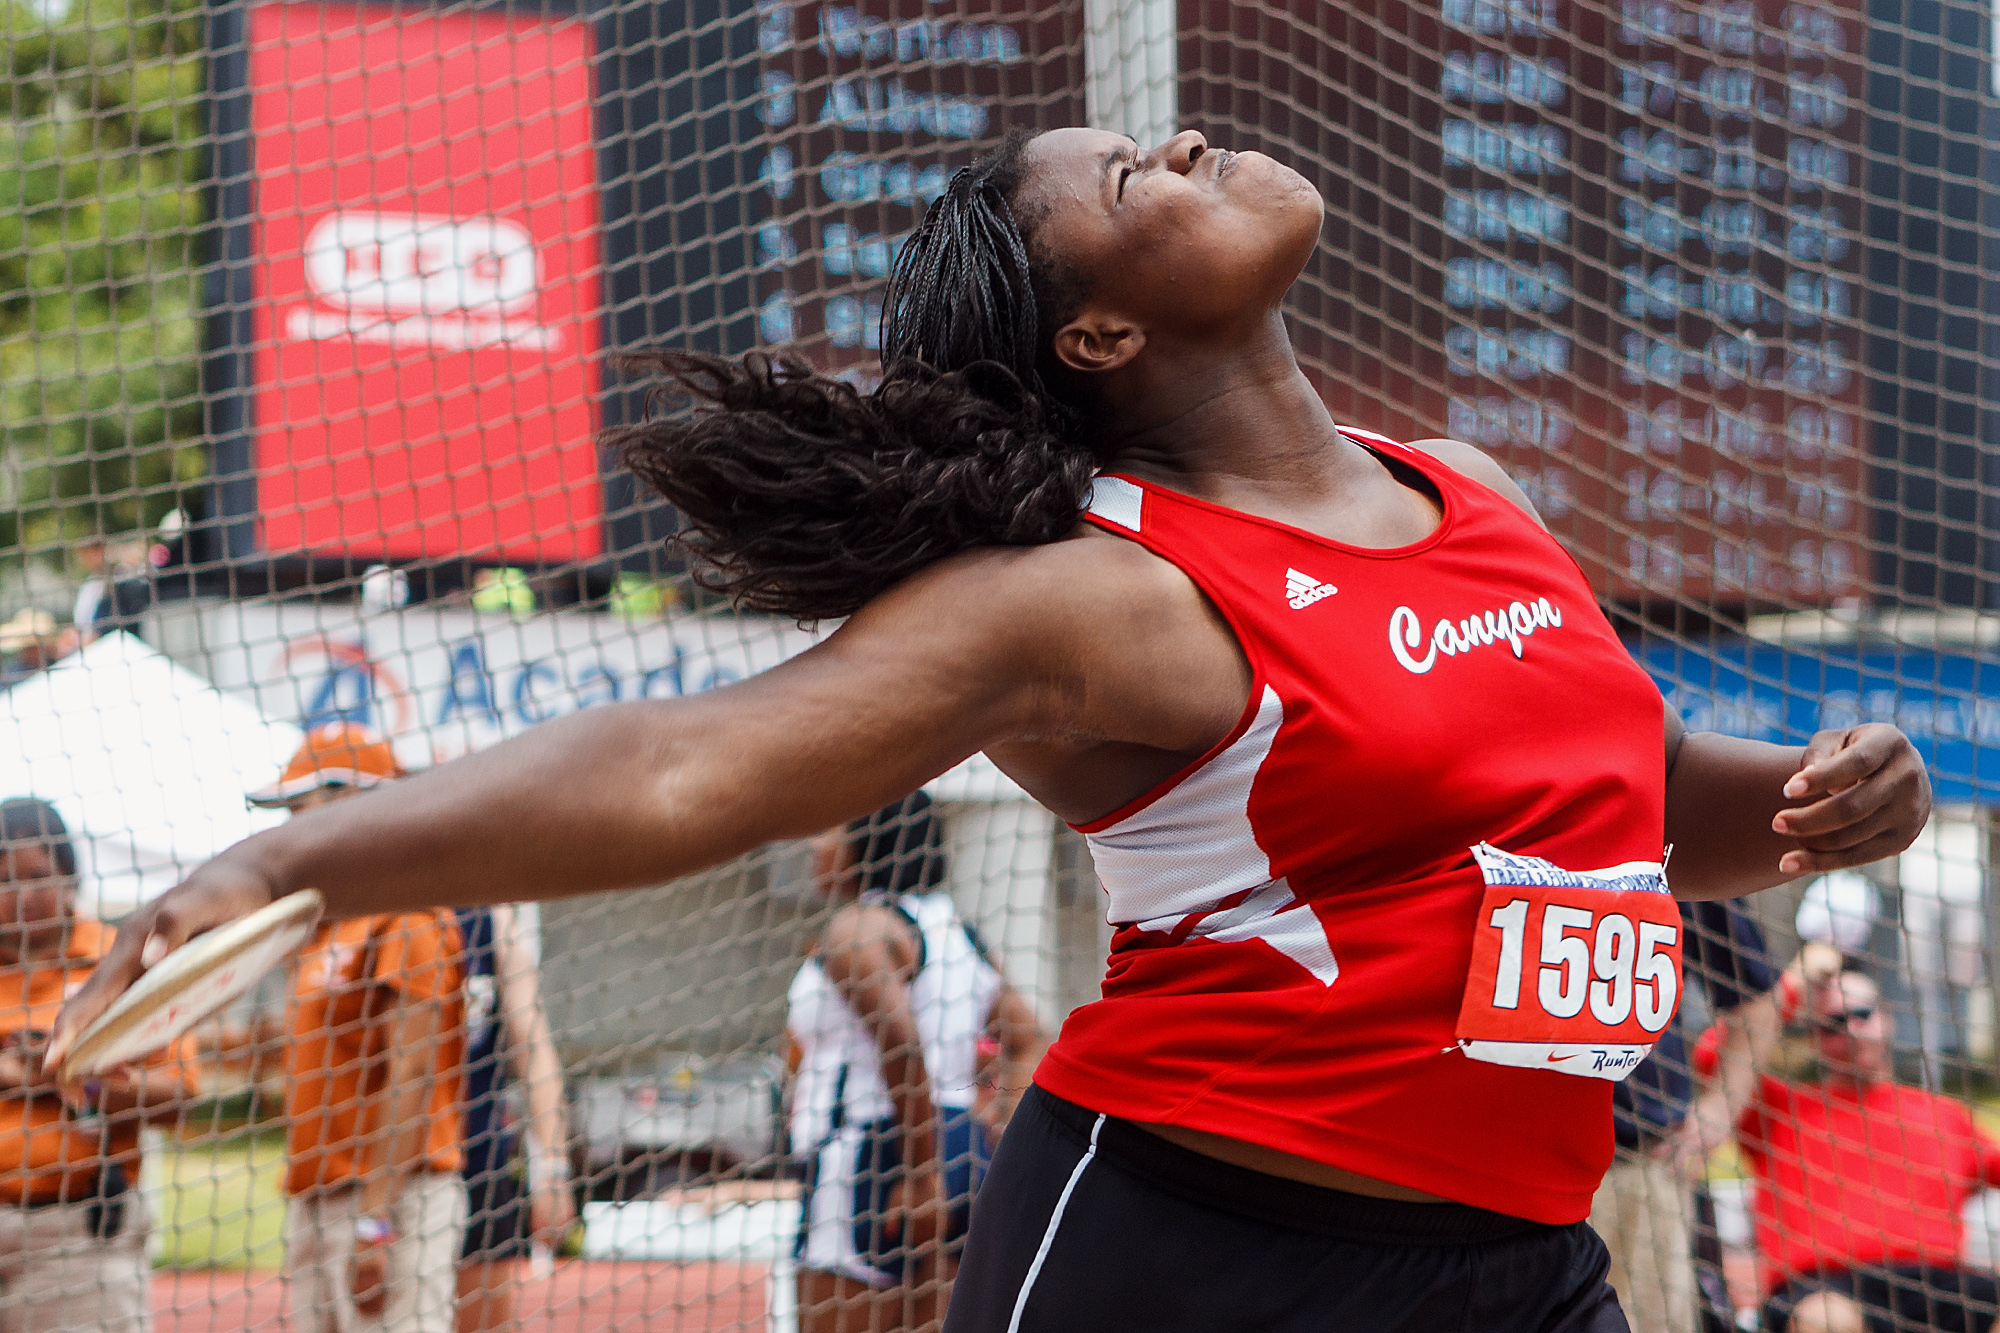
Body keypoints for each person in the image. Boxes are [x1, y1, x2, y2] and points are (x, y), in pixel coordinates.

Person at [55, 128, 1933, 1332]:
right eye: (1132, 178)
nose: (1182, 141)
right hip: (1196, 1255)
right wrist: (295, 852)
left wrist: (1811, 809)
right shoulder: (1099, 596)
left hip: (1521, 1261)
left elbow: (1615, 803)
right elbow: (687, 763)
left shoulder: (1472, 490)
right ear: (1104, 338)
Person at [788, 791, 1045, 1333]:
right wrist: (999, 1141)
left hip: (876, 1158)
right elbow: (1029, 1038)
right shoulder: (959, 932)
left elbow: (901, 1040)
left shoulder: (857, 930)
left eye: (828, 828)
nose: (815, 843)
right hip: (960, 1150)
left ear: (865, 839)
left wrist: (921, 1170)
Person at [249, 725, 468, 1333]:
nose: (288, 827)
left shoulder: (407, 915)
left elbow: (413, 1071)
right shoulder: (323, 923)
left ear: (353, 800)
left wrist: (376, 1224)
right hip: (321, 1199)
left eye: (299, 808)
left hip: (391, 1199)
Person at [0, 797, 202, 1333]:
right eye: (2, 880)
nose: (20, 897)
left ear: (70, 878)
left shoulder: (120, 963)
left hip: (76, 1229)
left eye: (38, 876)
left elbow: (179, 1093)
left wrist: (59, 1078)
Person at [1728, 948, 2000, 1333]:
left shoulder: (1944, 1115)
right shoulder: (1777, 1109)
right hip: (1826, 1286)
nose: (1851, 1031)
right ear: (1812, 1038)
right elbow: (1714, 1057)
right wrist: (1794, 985)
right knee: (1826, 1321)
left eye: (1861, 1015)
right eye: (1832, 1024)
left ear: (1885, 1018)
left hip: (1936, 1285)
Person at [1591, 900, 1779, 1333]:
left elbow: (1759, 999)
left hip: (1634, 1169)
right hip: (1487, 1162)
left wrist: (1720, 1108)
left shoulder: (1670, 845)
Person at [452, 901, 573, 1333]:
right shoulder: (367, 906)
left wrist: (553, 1171)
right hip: (380, 1168)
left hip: (474, 1161)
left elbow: (534, 1049)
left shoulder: (488, 918)